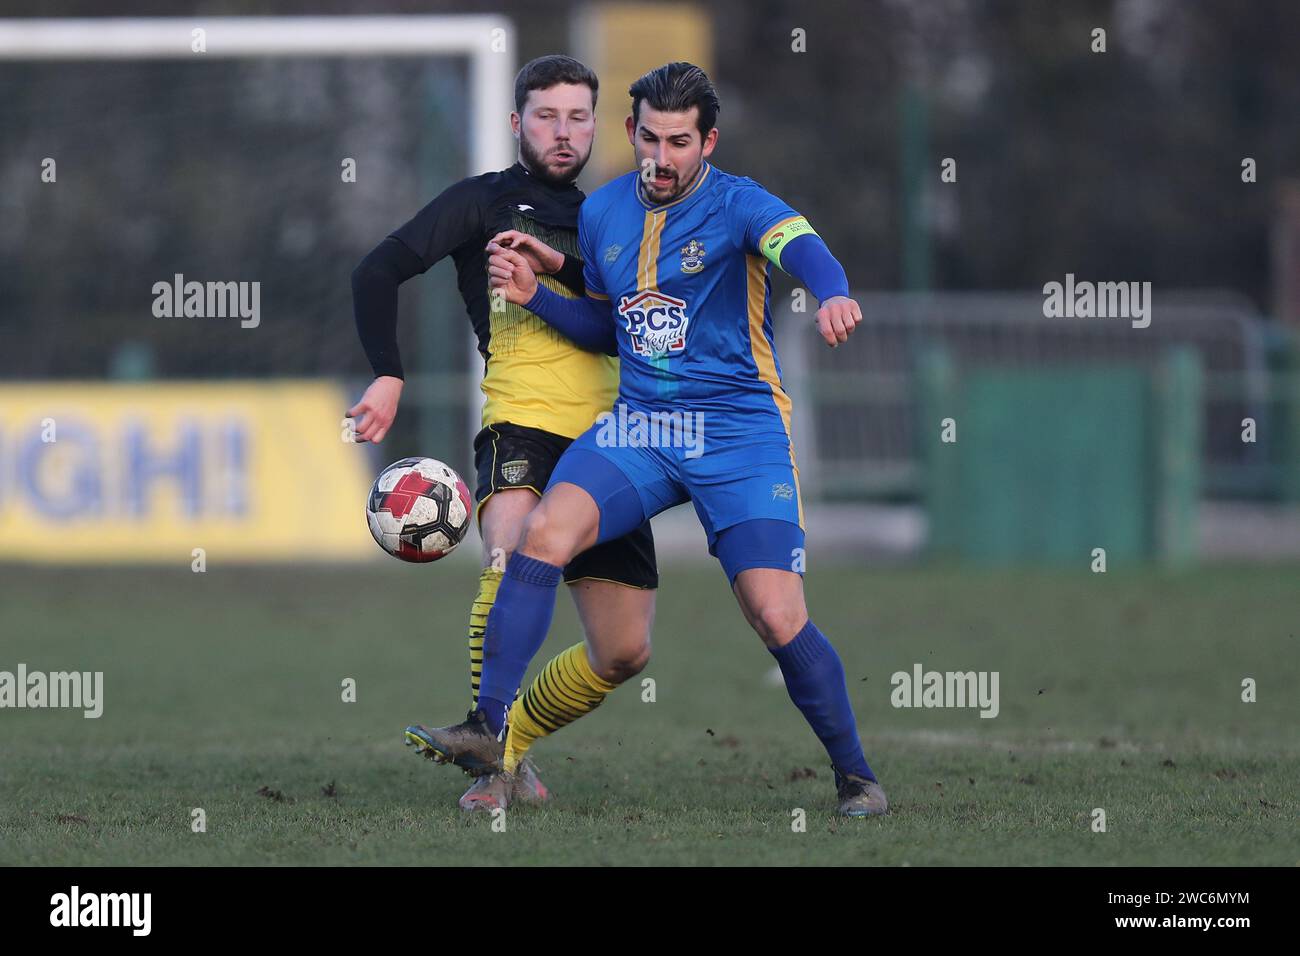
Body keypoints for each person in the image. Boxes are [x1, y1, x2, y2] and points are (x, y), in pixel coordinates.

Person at [477, 62, 886, 816]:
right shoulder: (602, 212)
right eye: (649, 139)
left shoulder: (740, 204)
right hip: (641, 426)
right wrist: (538, 295)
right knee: (542, 533)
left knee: (775, 613)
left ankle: (856, 776)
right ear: (630, 132)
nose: (661, 158)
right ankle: (487, 732)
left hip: (739, 431)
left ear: (708, 142)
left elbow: (807, 251)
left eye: (679, 142)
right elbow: (609, 325)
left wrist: (832, 293)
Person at [348, 55, 657, 812]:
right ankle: (495, 757)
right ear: (516, 123)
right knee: (510, 548)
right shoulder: (482, 203)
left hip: (612, 446)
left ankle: (510, 746)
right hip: (520, 423)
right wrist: (389, 372)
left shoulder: (617, 218)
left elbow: (636, 331)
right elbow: (377, 270)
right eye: (546, 116)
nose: (562, 132)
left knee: (624, 651)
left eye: (577, 117)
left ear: (598, 126)